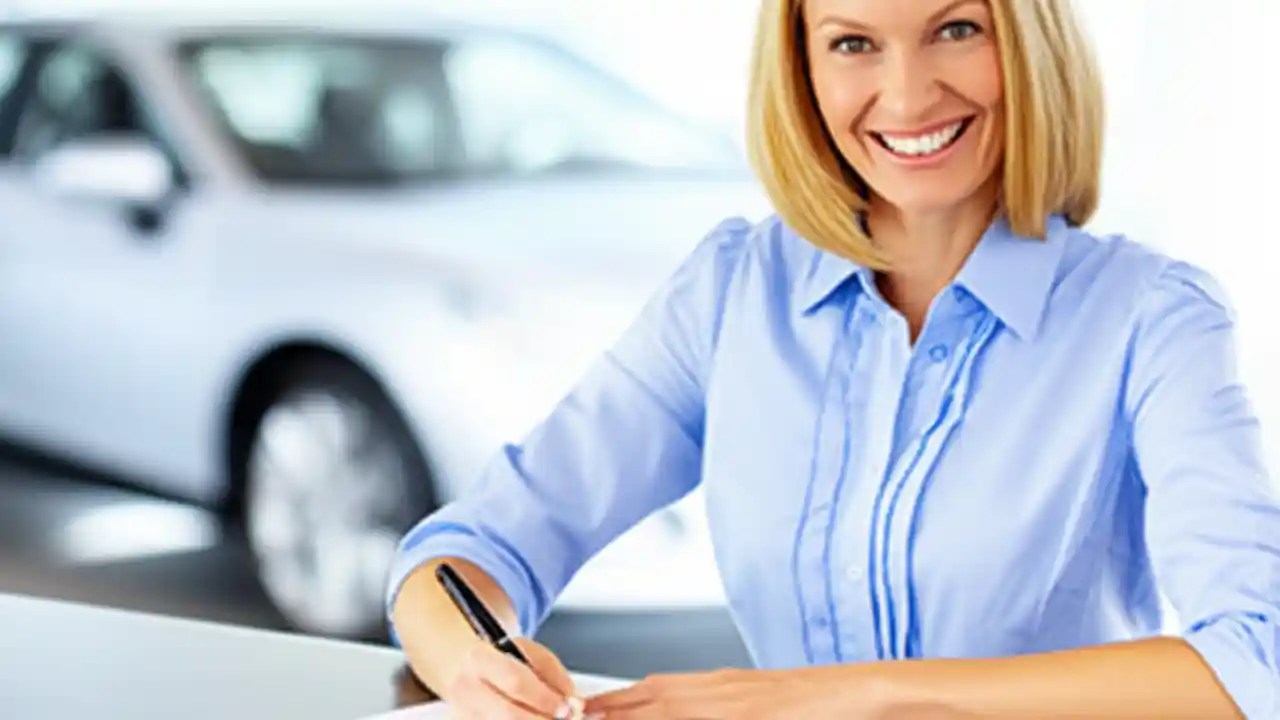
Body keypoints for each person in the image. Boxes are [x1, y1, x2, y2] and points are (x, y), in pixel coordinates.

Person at [387, 0, 1280, 716]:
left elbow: (1257, 657)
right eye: (854, 43)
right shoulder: (733, 292)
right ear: (803, 69)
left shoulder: (1152, 317)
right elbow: (466, 551)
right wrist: (481, 667)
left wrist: (851, 698)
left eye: (956, 30)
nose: (908, 97)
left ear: (1027, 40)